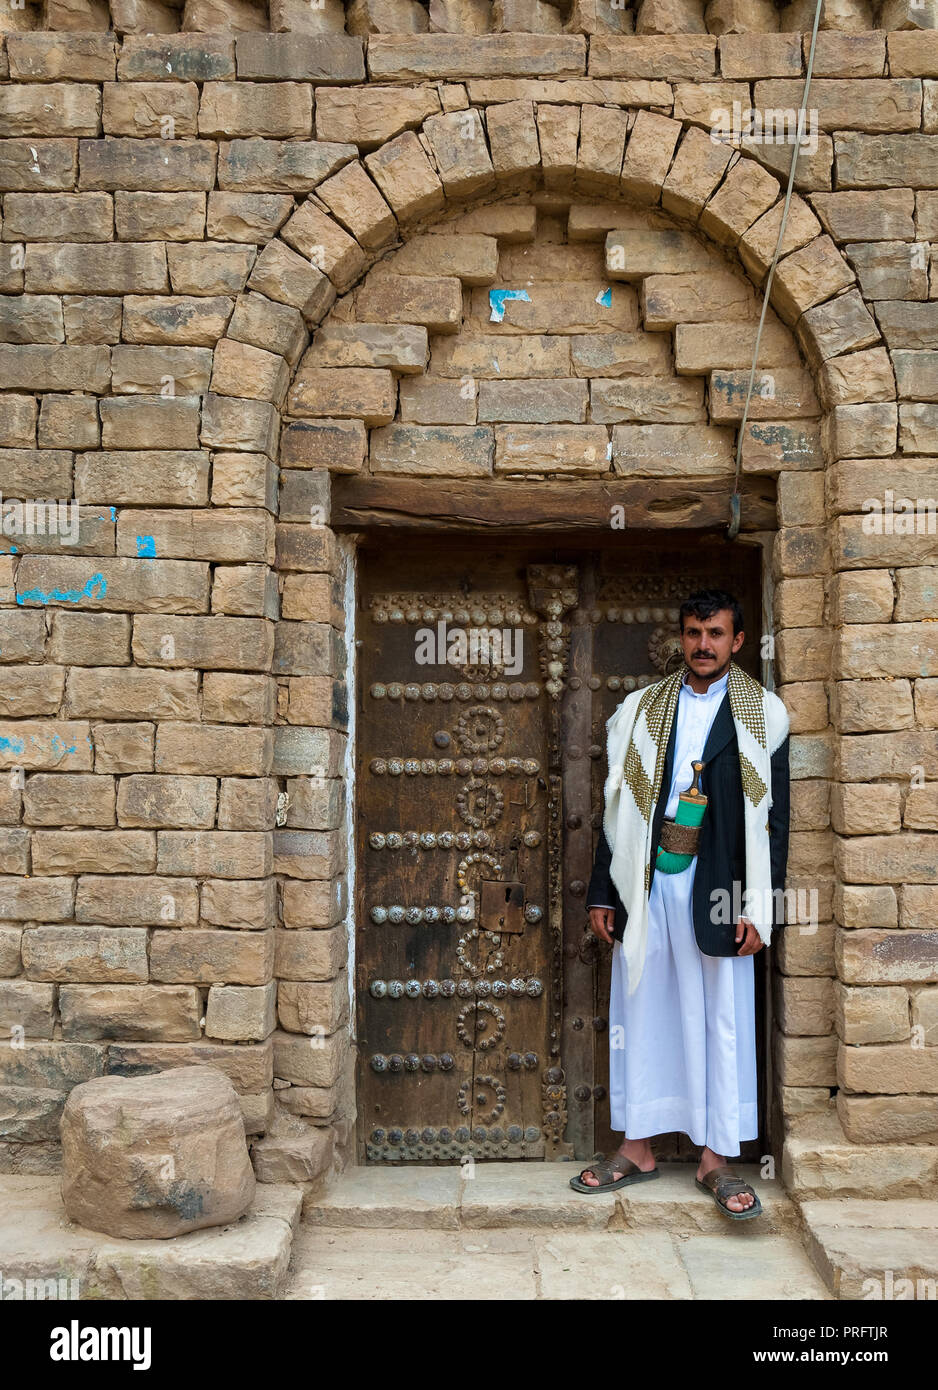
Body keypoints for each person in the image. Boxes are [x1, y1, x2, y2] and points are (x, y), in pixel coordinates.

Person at [570, 589, 790, 1220]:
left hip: (720, 885)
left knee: (719, 1014)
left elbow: (771, 821)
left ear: (737, 641)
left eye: (715, 634)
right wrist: (604, 890)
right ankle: (636, 1148)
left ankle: (716, 1160)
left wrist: (760, 906)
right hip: (648, 880)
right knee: (641, 1008)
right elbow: (620, 809)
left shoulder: (763, 717)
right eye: (694, 633)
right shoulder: (643, 711)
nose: (703, 645)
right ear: (682, 638)